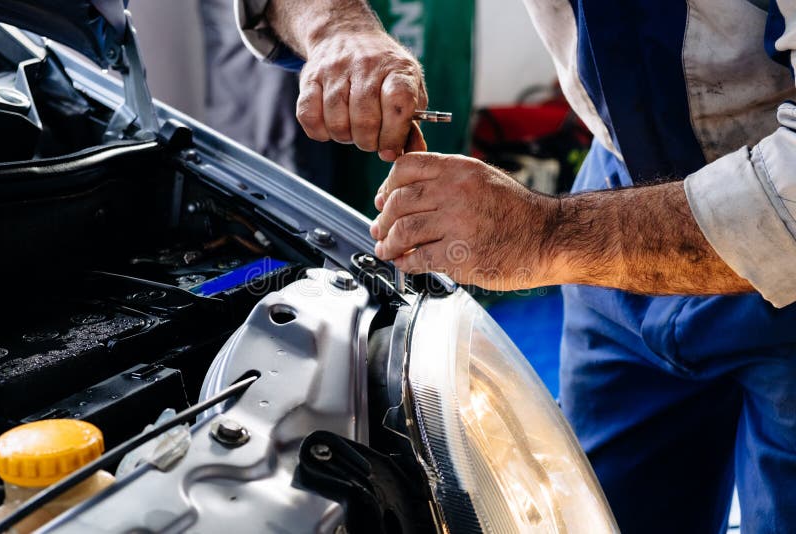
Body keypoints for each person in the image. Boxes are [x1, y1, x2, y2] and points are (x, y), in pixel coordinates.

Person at [235, 0, 796, 532]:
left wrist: (547, 235)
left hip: (774, 211)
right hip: (618, 188)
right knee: (597, 512)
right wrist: (338, 28)